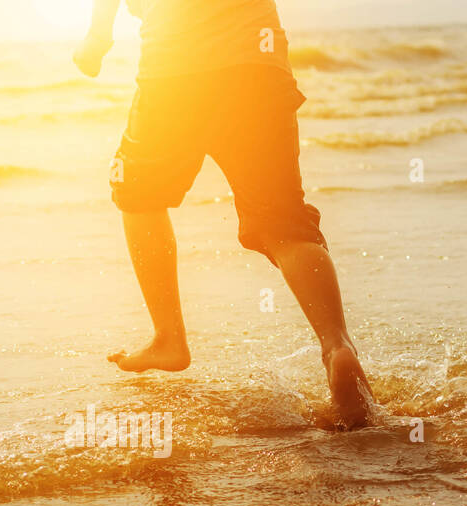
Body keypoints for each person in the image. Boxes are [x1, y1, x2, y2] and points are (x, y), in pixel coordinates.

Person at [74, 0, 375, 428]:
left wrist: (96, 39)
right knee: (285, 224)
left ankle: (169, 337)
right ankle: (336, 345)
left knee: (138, 196)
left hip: (172, 75)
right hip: (257, 68)